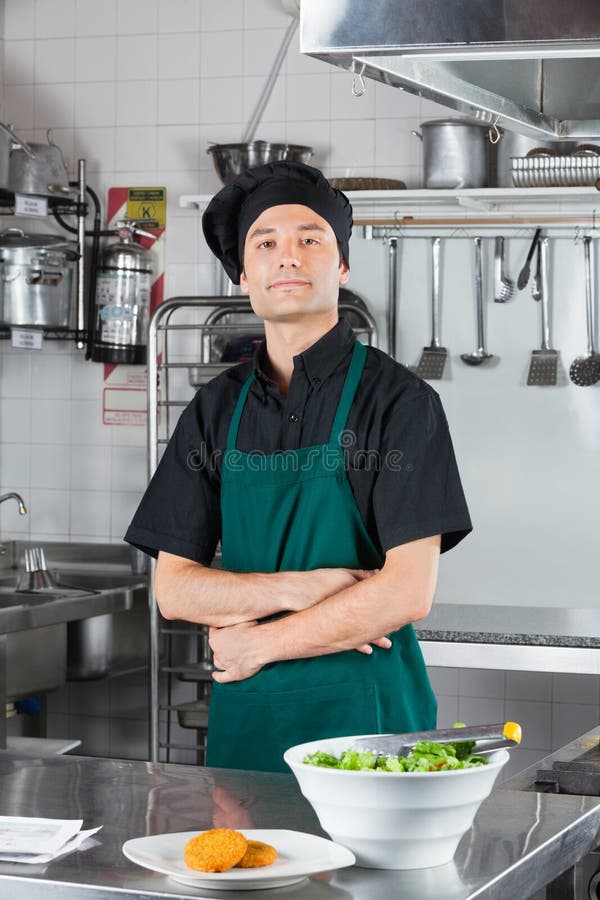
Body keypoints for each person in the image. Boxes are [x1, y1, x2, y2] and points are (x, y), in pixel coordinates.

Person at [125, 161, 472, 773]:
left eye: (310, 239)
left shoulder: (402, 403)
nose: (288, 256)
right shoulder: (214, 408)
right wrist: (306, 587)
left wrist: (259, 641)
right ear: (242, 275)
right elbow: (175, 590)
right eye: (266, 242)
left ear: (340, 265)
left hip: (369, 728)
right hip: (248, 729)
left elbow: (407, 592)